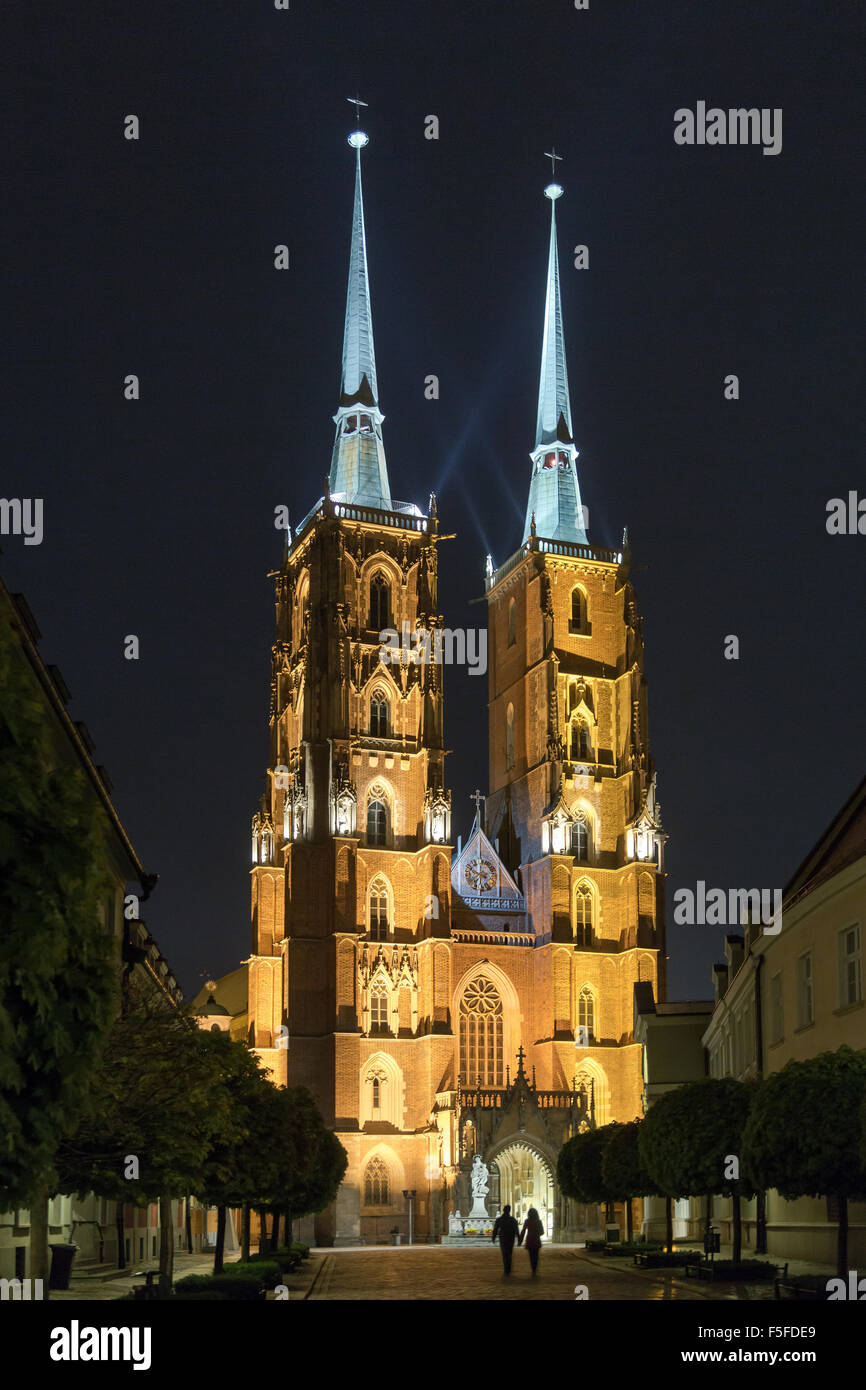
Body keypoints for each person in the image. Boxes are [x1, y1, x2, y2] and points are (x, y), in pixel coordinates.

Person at [491, 1204, 519, 1275]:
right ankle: (508, 1268)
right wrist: (519, 1238)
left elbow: (495, 1229)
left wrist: (493, 1238)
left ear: (503, 1210)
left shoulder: (499, 1219)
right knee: (509, 1253)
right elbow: (516, 1230)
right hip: (510, 1238)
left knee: (504, 1254)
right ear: (509, 1210)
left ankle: (506, 1268)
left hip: (503, 1239)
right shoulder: (512, 1220)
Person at [518, 1207, 544, 1275]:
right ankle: (534, 1268)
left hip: (529, 1240)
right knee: (536, 1255)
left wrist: (520, 1241)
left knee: (531, 1255)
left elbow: (523, 1231)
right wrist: (537, 1234)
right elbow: (542, 1232)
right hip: (536, 1240)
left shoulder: (527, 1221)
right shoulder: (538, 1221)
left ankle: (533, 1268)